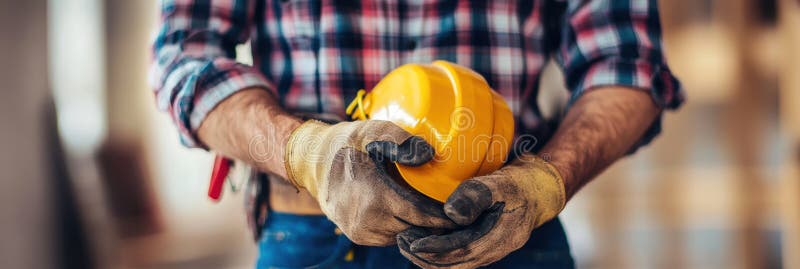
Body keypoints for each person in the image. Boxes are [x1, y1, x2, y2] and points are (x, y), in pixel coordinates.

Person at [150, 0, 684, 268]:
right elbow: (184, 56)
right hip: (314, 236)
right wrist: (307, 152)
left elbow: (627, 66)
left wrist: (548, 180)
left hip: (510, 230)